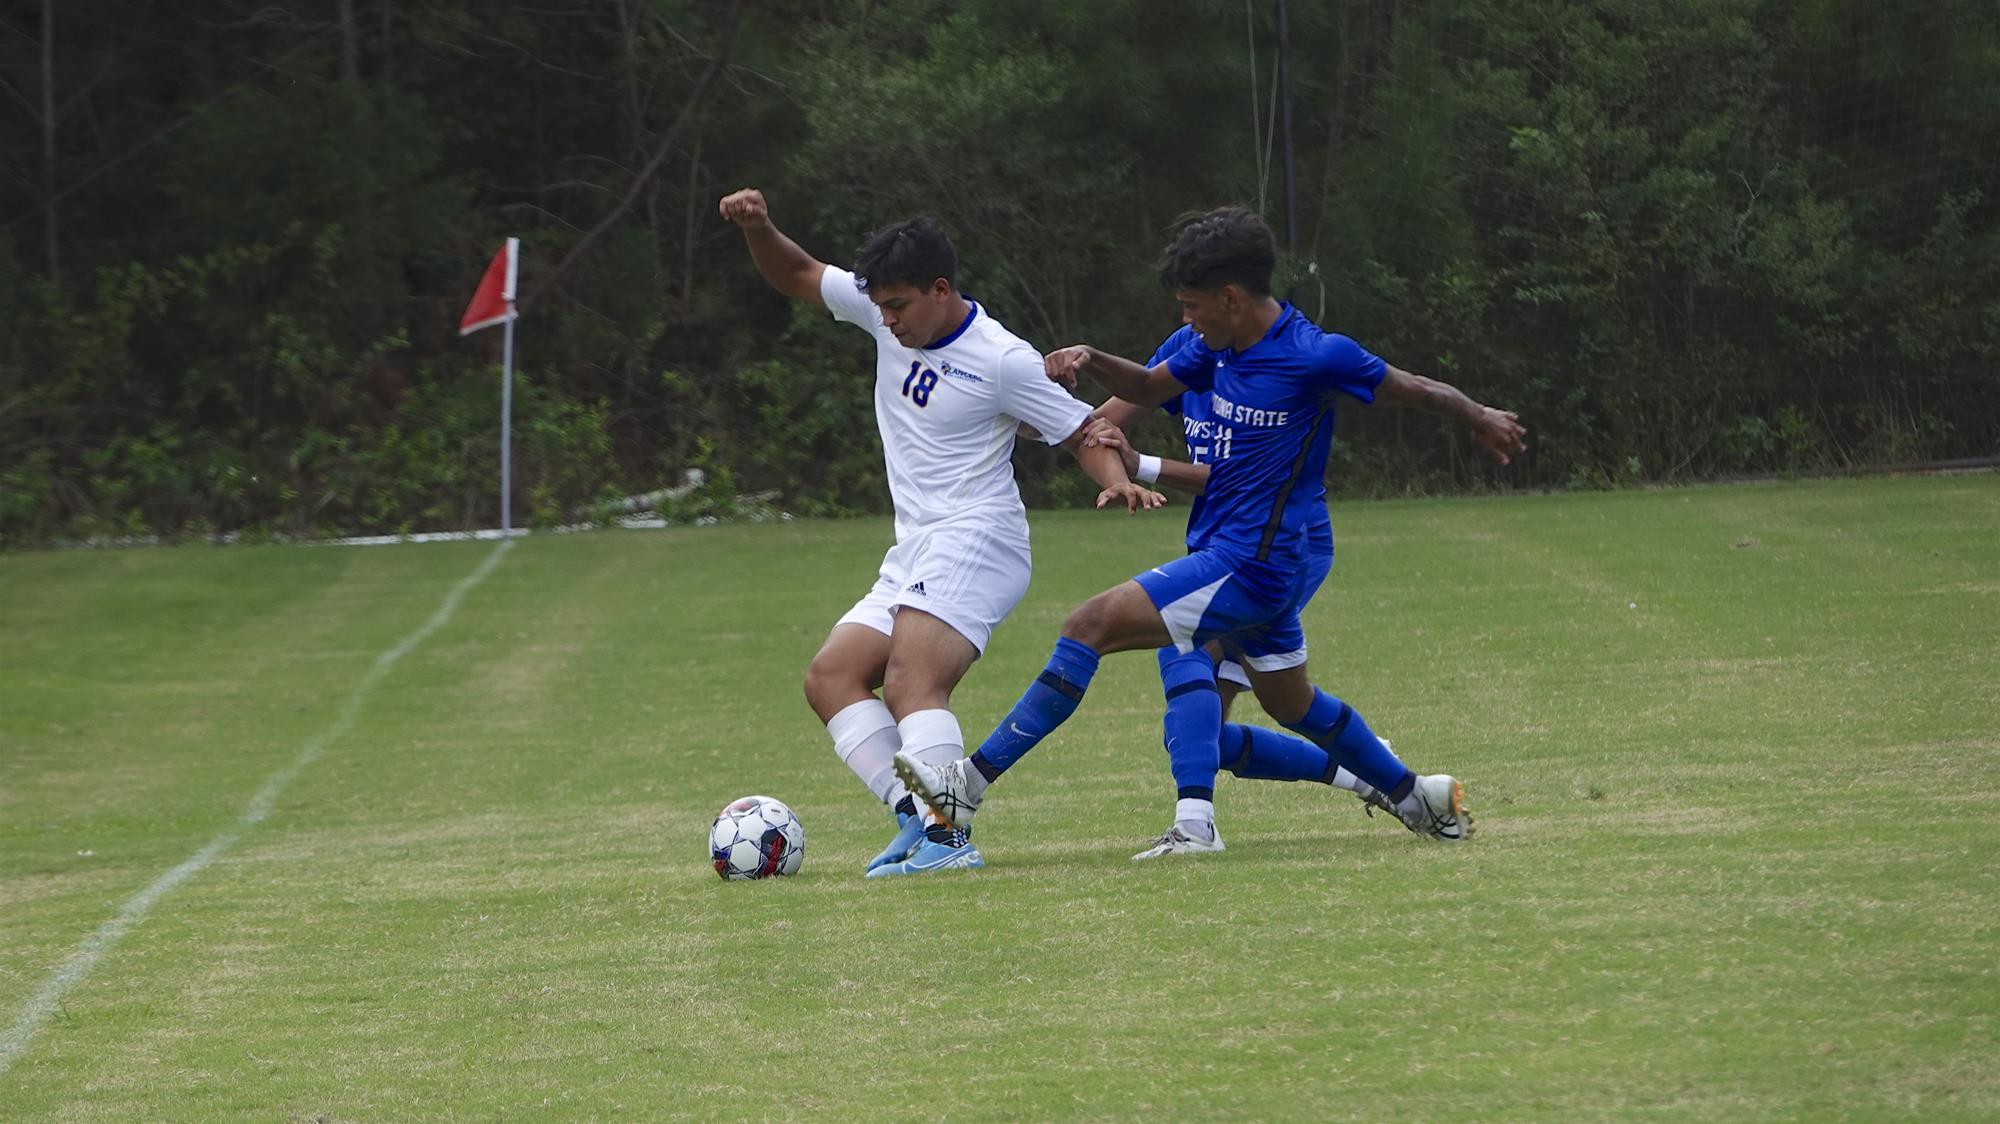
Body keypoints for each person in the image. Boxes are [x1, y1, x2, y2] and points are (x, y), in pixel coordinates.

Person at [898, 206, 1527, 860]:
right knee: (1294, 705)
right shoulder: (1207, 347)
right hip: (1252, 565)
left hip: (1253, 565)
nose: (1186, 320)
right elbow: (1143, 385)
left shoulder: (1316, 357)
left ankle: (967, 786)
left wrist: (1478, 414)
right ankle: (1414, 794)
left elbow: (1416, 389)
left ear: (1231, 298)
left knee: (1089, 625)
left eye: (1194, 306)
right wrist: (1089, 360)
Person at [717, 188, 1166, 877]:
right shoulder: (883, 309)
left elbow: (1082, 430)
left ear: (940, 289)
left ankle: (949, 838)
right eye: (881, 307)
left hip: (979, 539)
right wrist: (759, 228)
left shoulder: (1002, 358)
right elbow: (799, 275)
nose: (888, 321)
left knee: (912, 682)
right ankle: (918, 817)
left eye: (898, 307)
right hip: (917, 545)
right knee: (831, 677)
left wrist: (1113, 476)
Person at [1088, 325, 1396, 836]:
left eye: (1196, 295)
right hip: (1224, 543)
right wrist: (1035, 414)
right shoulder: (1186, 346)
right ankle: (1368, 769)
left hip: (1284, 545)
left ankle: (1194, 827)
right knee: (1198, 735)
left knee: (1182, 650)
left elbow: (1230, 480)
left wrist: (1138, 465)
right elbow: (1098, 423)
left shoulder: (1280, 357)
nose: (1189, 310)